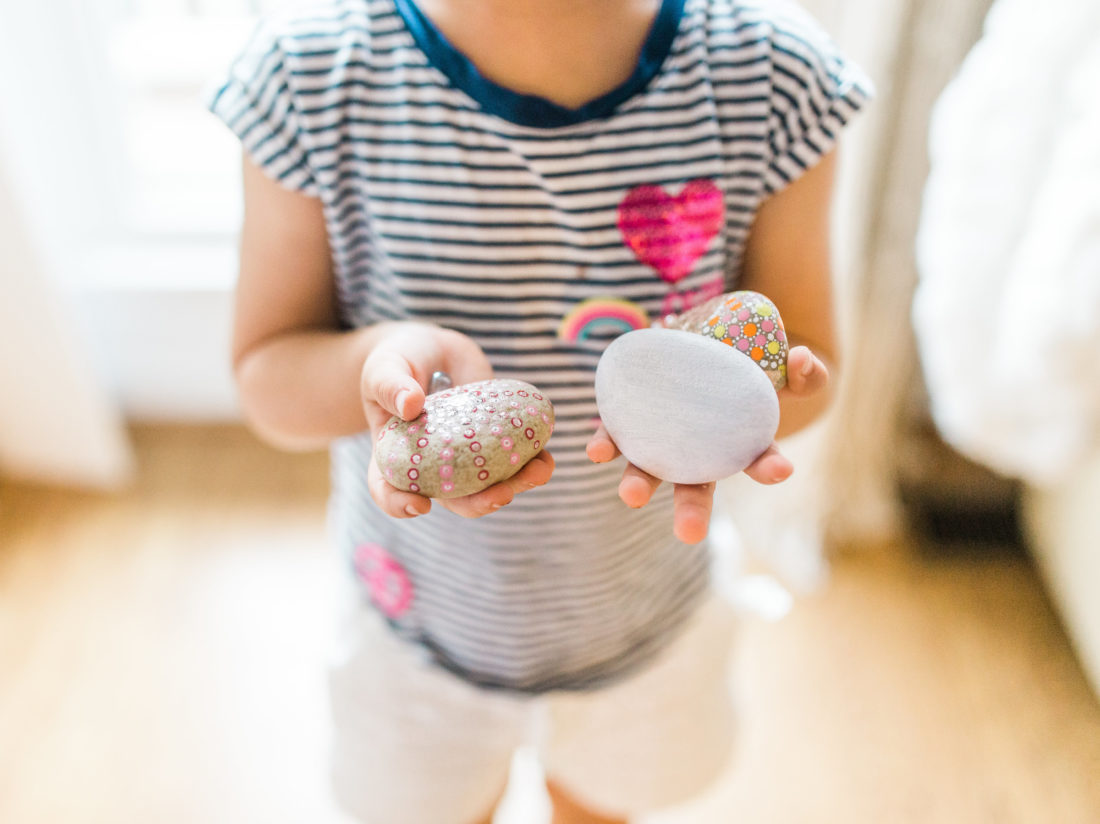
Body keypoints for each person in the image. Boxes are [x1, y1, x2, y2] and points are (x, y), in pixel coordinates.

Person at [209, 0, 869, 821]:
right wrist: (374, 367)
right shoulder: (311, 75)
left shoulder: (772, 76)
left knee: (603, 805)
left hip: (643, 621)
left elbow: (809, 361)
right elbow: (267, 372)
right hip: (412, 632)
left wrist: (733, 406)